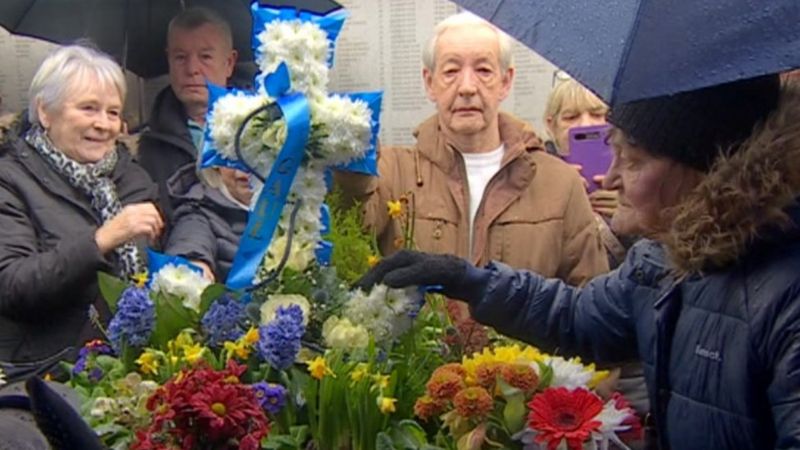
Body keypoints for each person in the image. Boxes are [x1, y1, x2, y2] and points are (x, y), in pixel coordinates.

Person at [359, 74, 800, 449]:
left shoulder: (785, 298)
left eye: (633, 159)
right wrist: (469, 280)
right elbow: (578, 317)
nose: (609, 178)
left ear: (707, 171)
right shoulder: (661, 262)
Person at [336, 12, 609, 344]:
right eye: (451, 71)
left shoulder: (560, 183)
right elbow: (350, 230)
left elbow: (594, 312)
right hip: (413, 387)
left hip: (522, 387)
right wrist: (352, 165)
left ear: (506, 81)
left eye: (483, 70)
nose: (467, 87)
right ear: (429, 82)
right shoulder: (393, 170)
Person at [0, 45, 162, 381]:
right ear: (45, 112)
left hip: (133, 371)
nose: (103, 124)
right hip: (46, 375)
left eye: (113, 112)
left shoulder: (132, 178)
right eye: (89, 108)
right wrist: (102, 239)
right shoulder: (9, 180)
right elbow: (12, 286)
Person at [137, 7, 238, 221]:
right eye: (180, 57)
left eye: (205, 57)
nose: (192, 68)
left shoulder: (264, 127)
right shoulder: (147, 145)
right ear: (169, 60)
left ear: (229, 63)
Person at [164, 165, 251, 282]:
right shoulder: (198, 209)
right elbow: (191, 238)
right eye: (232, 160)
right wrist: (193, 266)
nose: (242, 170)